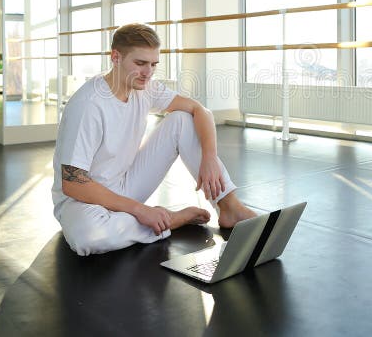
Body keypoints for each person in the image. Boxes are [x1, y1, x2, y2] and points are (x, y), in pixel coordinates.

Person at [52, 23, 256, 256]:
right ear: (115, 57)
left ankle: (229, 207)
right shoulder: (89, 104)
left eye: (153, 64)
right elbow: (73, 184)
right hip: (82, 201)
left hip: (124, 185)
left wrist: (208, 158)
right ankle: (169, 220)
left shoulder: (145, 87)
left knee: (182, 118)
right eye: (140, 63)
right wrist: (140, 210)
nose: (147, 72)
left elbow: (201, 111)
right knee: (89, 238)